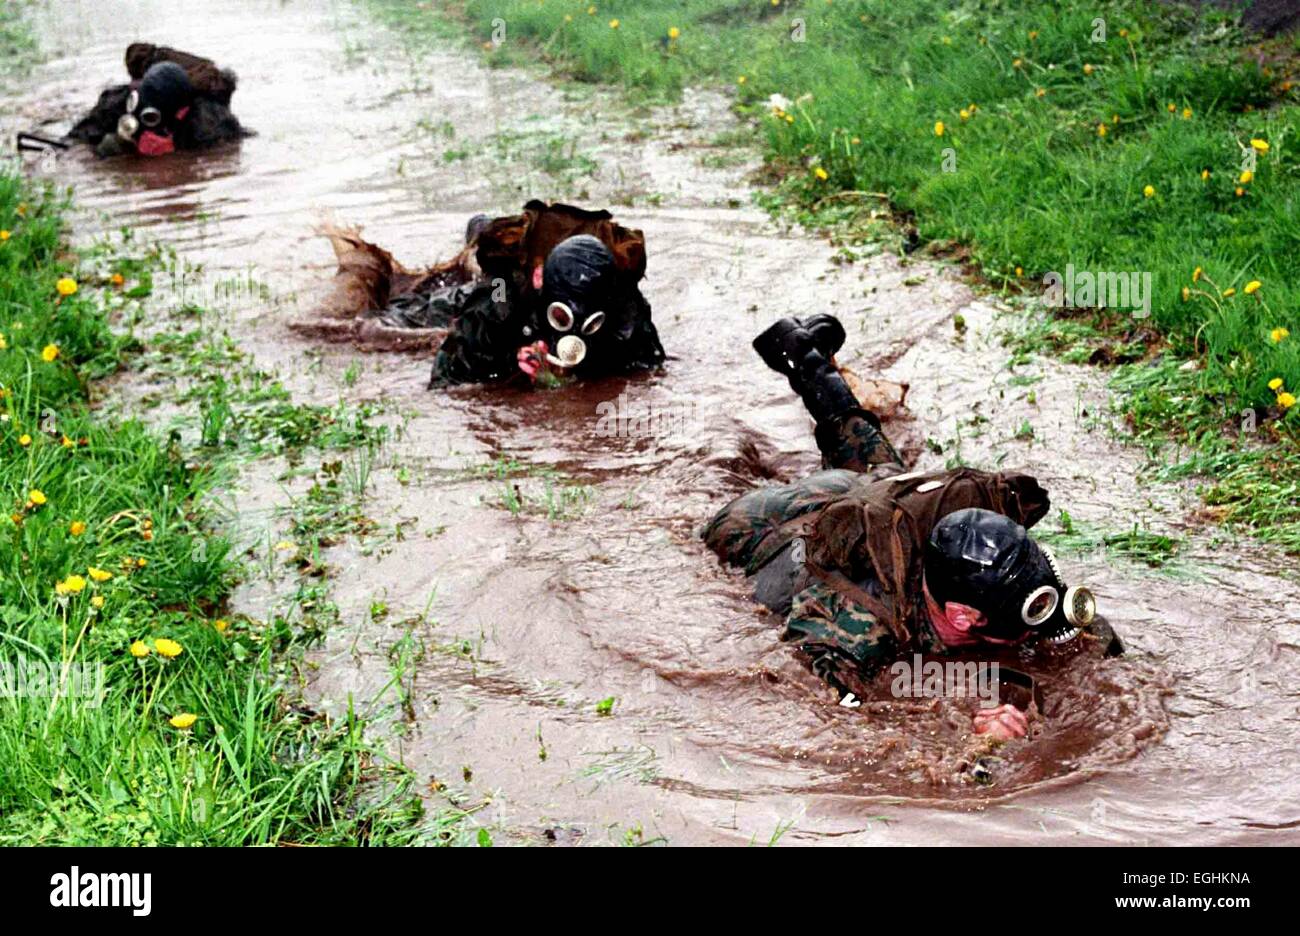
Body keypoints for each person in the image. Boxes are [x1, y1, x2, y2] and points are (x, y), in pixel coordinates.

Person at [703, 315, 1111, 741]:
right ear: (963, 615)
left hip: (878, 498)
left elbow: (1091, 640)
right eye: (1025, 623)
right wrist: (964, 736)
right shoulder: (857, 620)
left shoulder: (1003, 572)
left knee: (869, 454)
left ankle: (807, 358)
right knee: (720, 527)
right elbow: (830, 706)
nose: (1037, 628)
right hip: (778, 530)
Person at [302, 200, 665, 387]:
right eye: (560, 318)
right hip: (487, 296)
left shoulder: (625, 308)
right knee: (386, 319)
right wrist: (507, 362)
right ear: (539, 278)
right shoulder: (501, 301)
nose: (571, 333)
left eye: (588, 323)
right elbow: (446, 378)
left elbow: (650, 366)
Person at [31, 43, 249, 158]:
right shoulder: (117, 104)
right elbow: (69, 144)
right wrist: (117, 145)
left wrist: (175, 148)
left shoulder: (206, 119)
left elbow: (234, 148)